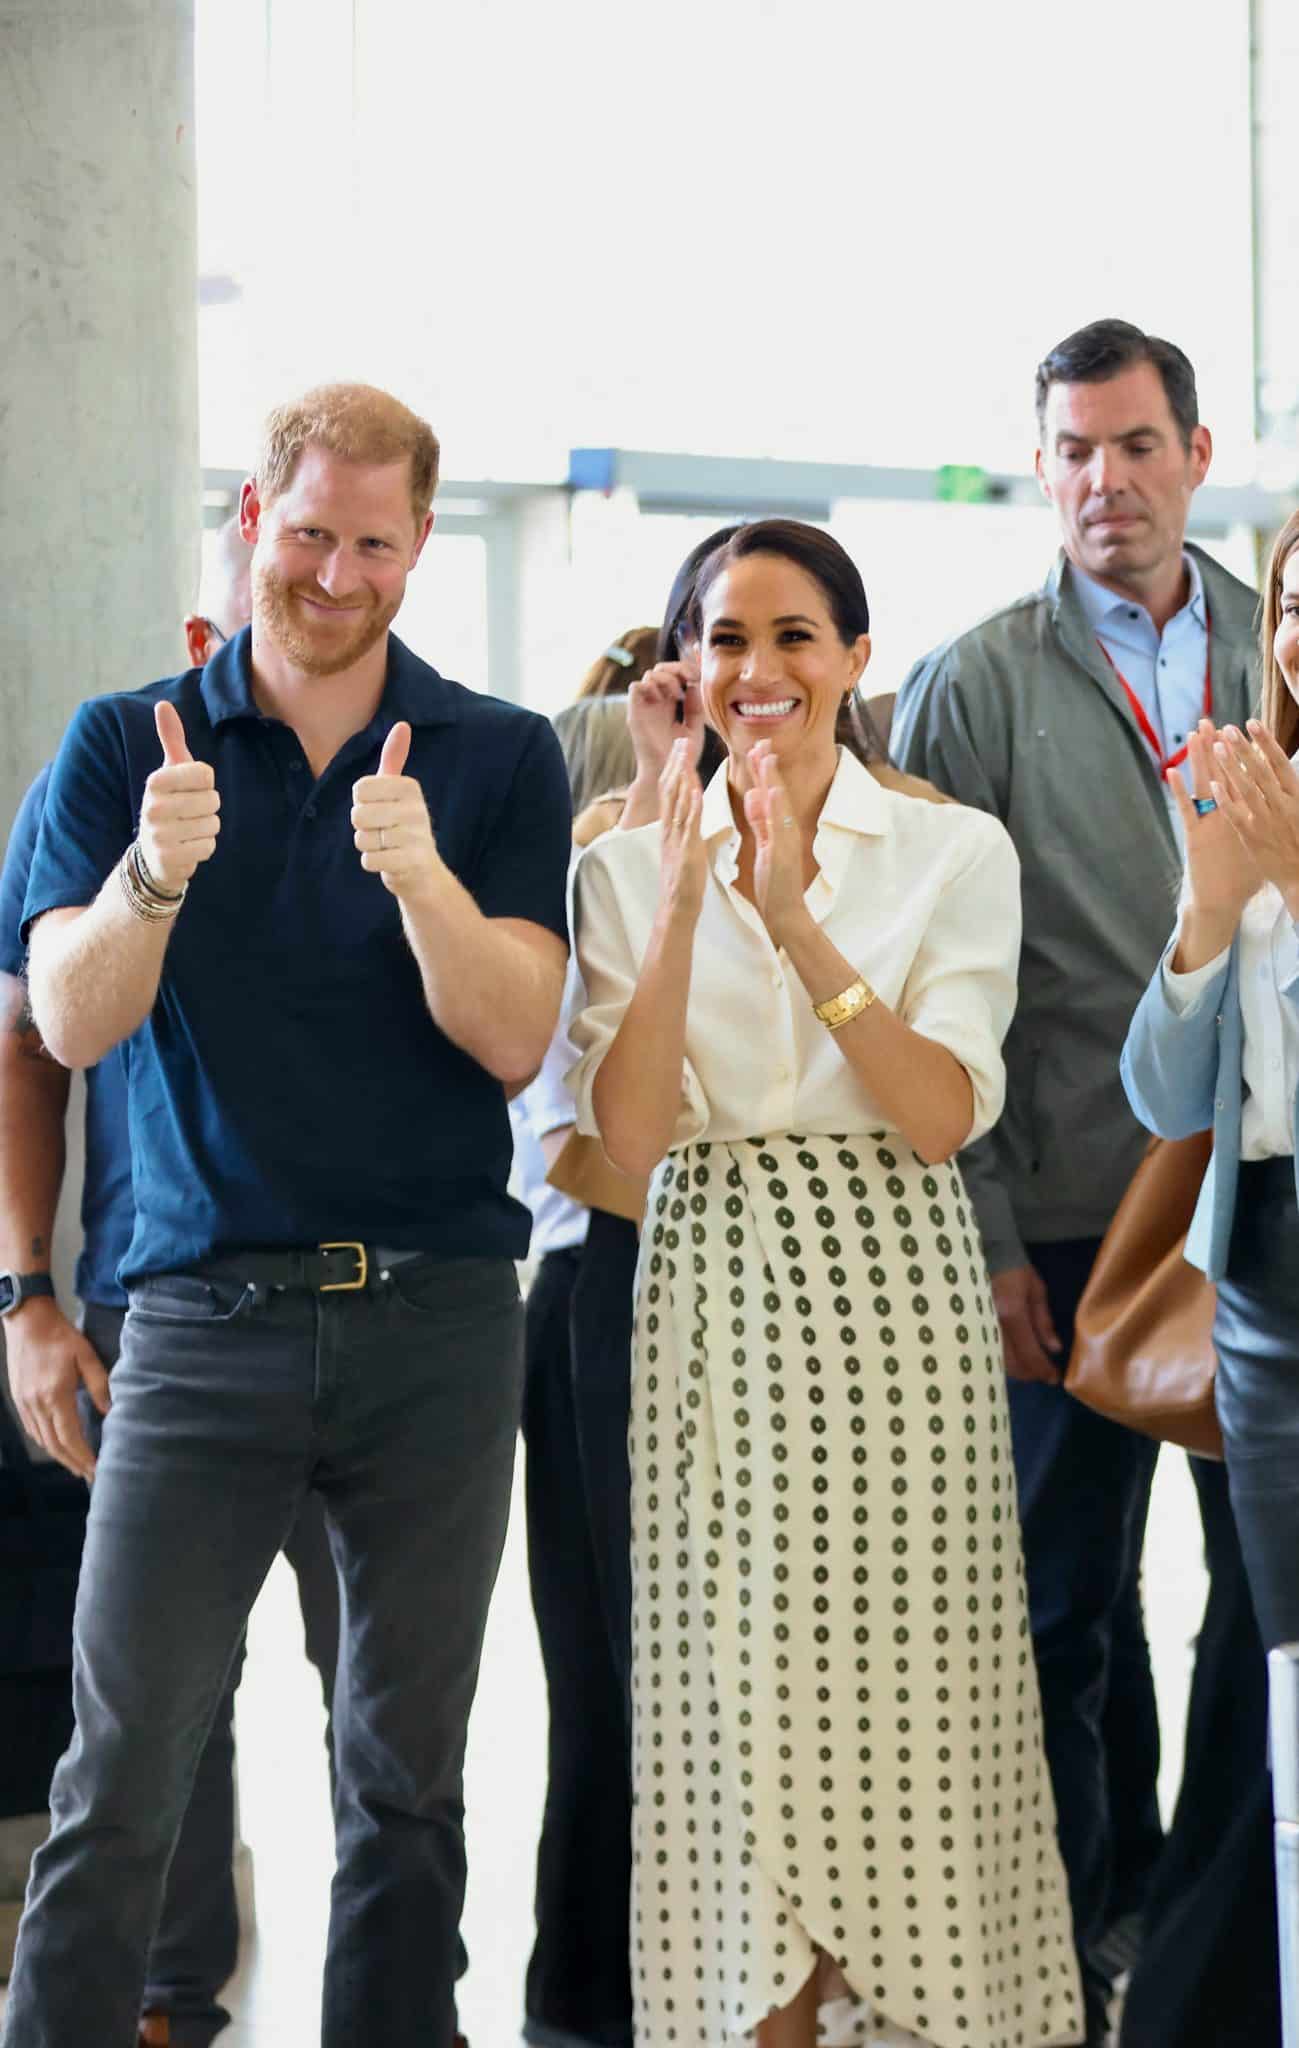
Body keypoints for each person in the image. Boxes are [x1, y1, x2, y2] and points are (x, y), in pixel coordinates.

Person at [1, 381, 572, 2048]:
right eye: (308, 529)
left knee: (402, 1781)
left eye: (372, 540)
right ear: (254, 519)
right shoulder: (126, 746)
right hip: (195, 1326)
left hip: (439, 1323)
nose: (335, 569)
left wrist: (420, 877)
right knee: (124, 1766)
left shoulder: (495, 756)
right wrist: (150, 875)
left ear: (413, 550)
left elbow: (514, 1032)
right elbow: (63, 1021)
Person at [570, 517, 1082, 2048]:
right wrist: (677, 898)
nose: (759, 668)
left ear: (856, 659)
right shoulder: (614, 863)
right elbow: (636, 1133)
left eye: (794, 635)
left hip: (895, 1302)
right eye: (725, 638)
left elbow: (935, 1115)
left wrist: (790, 914)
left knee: (911, 1721)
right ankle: (762, 2017)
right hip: (709, 1288)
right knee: (730, 1722)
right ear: (689, 667)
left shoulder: (946, 850)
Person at [891, 319, 1269, 2041]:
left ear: (1191, 452)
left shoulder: (1275, 647)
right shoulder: (975, 681)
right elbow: (937, 984)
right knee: (1050, 1597)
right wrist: (980, 1240)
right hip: (1058, 1208)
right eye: (1067, 450)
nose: (1097, 482)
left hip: (1255, 1217)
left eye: (1128, 444)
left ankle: (1212, 1928)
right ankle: (1059, 1936)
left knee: (1253, 1613)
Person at [0, 517, 344, 2048]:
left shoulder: (394, 767)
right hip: (159, 1297)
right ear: (204, 626)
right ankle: (160, 2002)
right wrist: (27, 1298)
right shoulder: (109, 765)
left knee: (387, 1714)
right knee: (154, 1714)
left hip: (384, 1312)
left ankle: (399, 2001)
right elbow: (25, 1040)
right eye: (241, 622)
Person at [1122, 508, 1299, 1648]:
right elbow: (1169, 1098)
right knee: (1283, 1641)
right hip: (1264, 1283)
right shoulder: (1258, 792)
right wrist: (1206, 911)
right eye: (1293, 604)